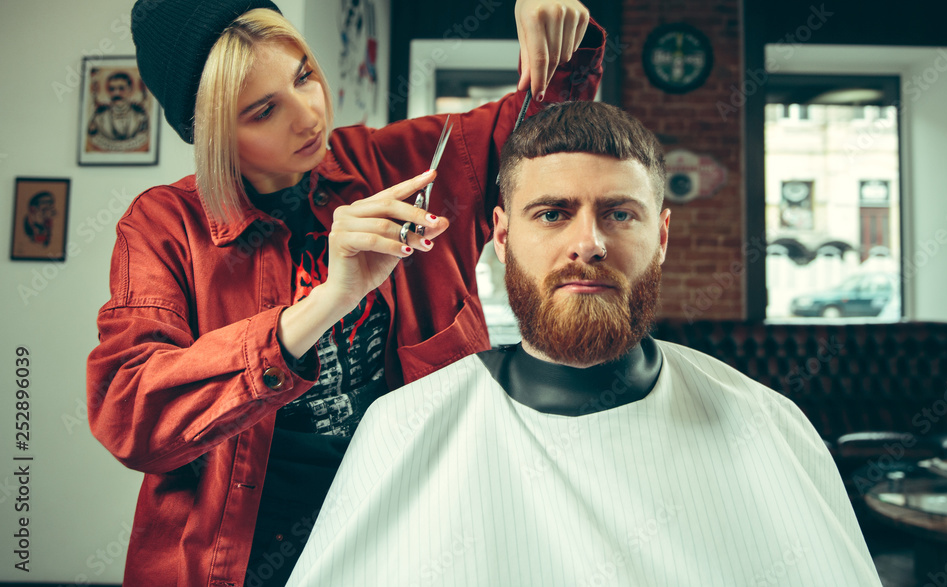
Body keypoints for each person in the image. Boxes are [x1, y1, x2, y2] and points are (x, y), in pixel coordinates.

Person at [86, 0, 604, 587]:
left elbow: (542, 141)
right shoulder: (162, 227)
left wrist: (546, 7)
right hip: (244, 560)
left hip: (418, 539)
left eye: (303, 76)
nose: (309, 114)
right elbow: (132, 418)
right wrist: (330, 299)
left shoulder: (397, 164)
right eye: (263, 110)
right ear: (214, 136)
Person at [285, 101, 883, 586]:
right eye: (551, 213)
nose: (589, 243)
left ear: (663, 235)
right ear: (500, 234)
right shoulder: (403, 428)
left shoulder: (768, 424)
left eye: (620, 214)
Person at [86, 71, 151, 151]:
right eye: (112, 89)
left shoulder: (140, 116)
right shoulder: (99, 117)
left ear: (130, 89)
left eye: (121, 88)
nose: (116, 93)